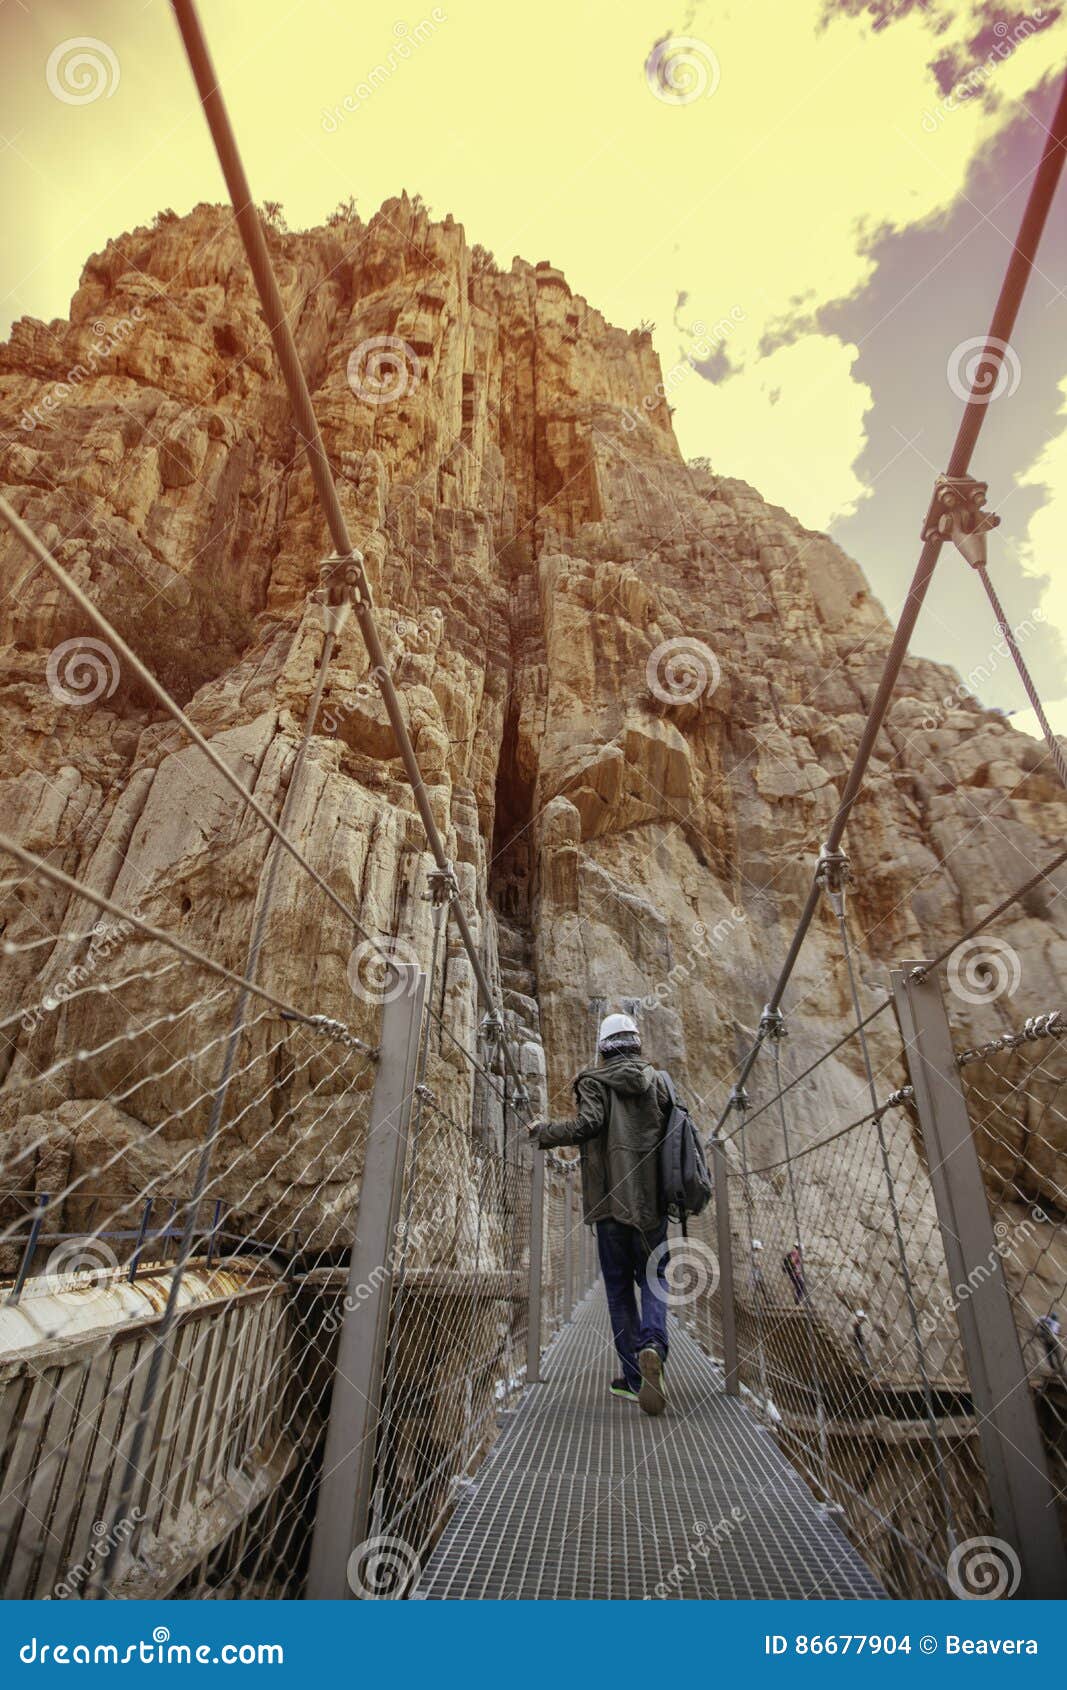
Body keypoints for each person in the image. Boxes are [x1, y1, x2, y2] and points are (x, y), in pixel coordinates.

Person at [528, 1012, 673, 1416]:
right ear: (637, 1043)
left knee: (619, 1289)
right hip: (652, 1206)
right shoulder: (658, 1083)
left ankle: (632, 1378)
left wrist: (544, 1132)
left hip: (611, 1207)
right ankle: (653, 1344)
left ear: (604, 1047)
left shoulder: (594, 1081)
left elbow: (587, 1125)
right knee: (656, 1277)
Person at [1036, 1310, 1065, 1380]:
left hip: (1051, 1340)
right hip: (1051, 1340)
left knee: (1053, 1357)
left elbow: (1039, 1320)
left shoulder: (1053, 1323)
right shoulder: (1053, 1322)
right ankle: (1060, 1372)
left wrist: (1041, 1328)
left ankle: (1060, 1372)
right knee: (1055, 1358)